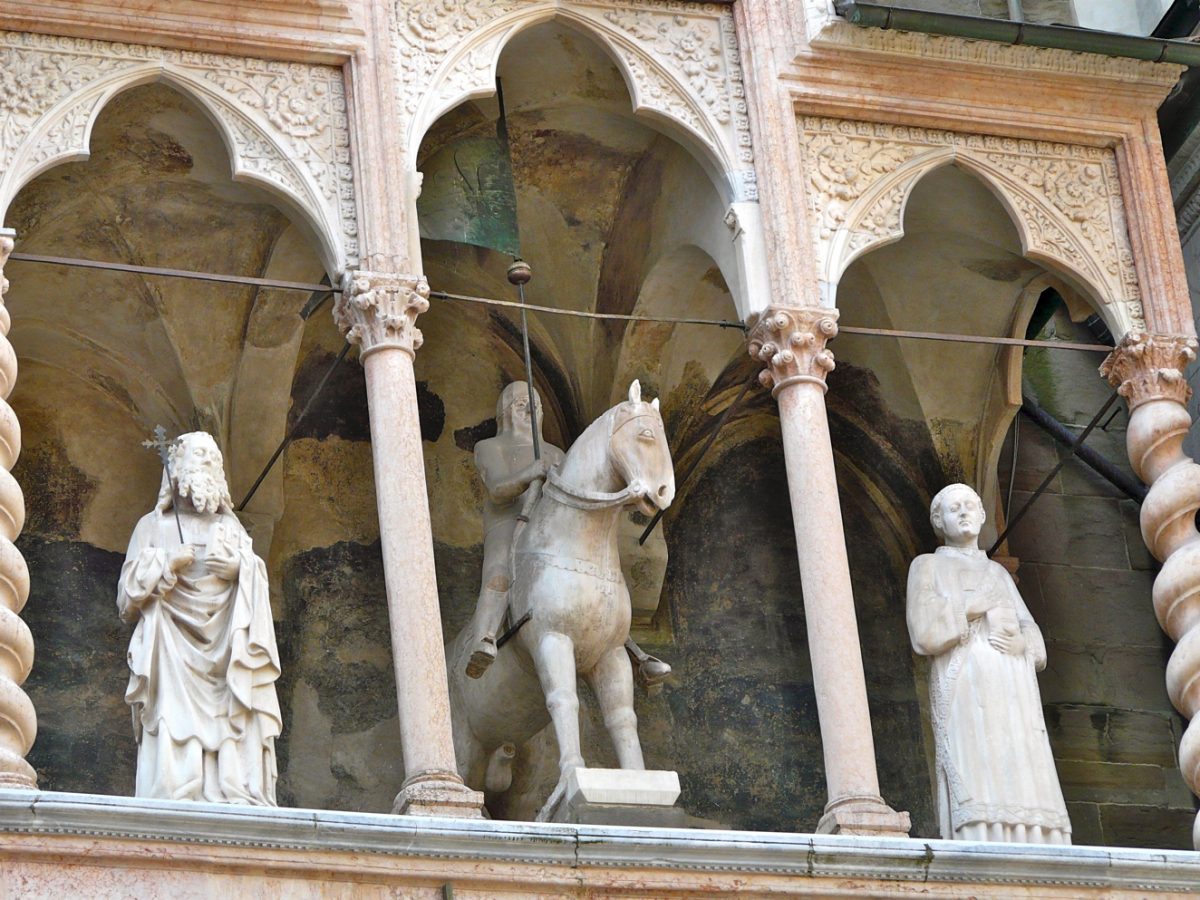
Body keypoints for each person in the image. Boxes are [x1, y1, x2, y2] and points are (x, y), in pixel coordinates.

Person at [467, 382, 671, 685]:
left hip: (550, 534)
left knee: (599, 585)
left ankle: (630, 649)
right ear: (505, 413)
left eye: (534, 404)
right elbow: (497, 490)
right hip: (508, 526)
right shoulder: (489, 448)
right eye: (520, 403)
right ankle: (483, 639)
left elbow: (578, 497)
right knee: (499, 571)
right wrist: (530, 472)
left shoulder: (554, 452)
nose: (529, 409)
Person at [117, 431, 281, 805]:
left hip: (229, 650)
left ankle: (235, 787)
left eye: (212, 456)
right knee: (172, 723)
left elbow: (256, 584)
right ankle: (178, 789)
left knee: (234, 719)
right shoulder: (152, 527)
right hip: (172, 652)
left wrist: (241, 568)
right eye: (198, 455)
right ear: (175, 470)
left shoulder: (231, 529)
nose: (206, 461)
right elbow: (126, 598)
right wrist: (165, 563)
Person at [906, 483, 1071, 844]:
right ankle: (981, 833)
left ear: (983, 515)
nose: (964, 512)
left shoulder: (997, 574)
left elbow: (1032, 633)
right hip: (964, 682)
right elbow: (923, 633)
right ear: (939, 521)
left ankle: (1035, 835)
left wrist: (1023, 642)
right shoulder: (928, 566)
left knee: (1018, 753)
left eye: (970, 506)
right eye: (954, 508)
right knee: (973, 755)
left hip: (1012, 687)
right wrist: (973, 605)